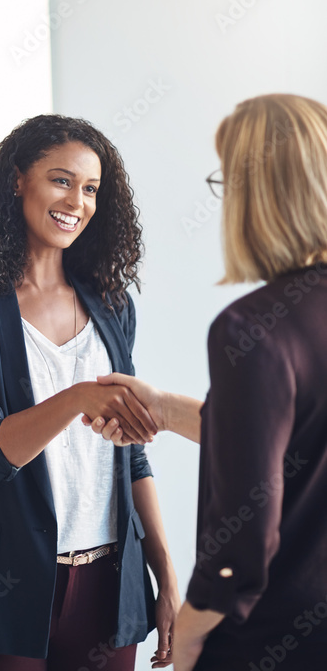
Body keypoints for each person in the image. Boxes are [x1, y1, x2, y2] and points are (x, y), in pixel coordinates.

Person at [0, 114, 181, 670]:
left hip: (110, 585)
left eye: (90, 189)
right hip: (0, 586)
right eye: (61, 180)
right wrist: (77, 397)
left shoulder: (111, 304)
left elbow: (130, 452)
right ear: (17, 180)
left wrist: (164, 575)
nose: (77, 201)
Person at [86, 93, 327, 671]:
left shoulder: (252, 328)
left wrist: (191, 631)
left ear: (255, 192)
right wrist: (166, 411)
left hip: (269, 640)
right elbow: (300, 444)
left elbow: (243, 548)